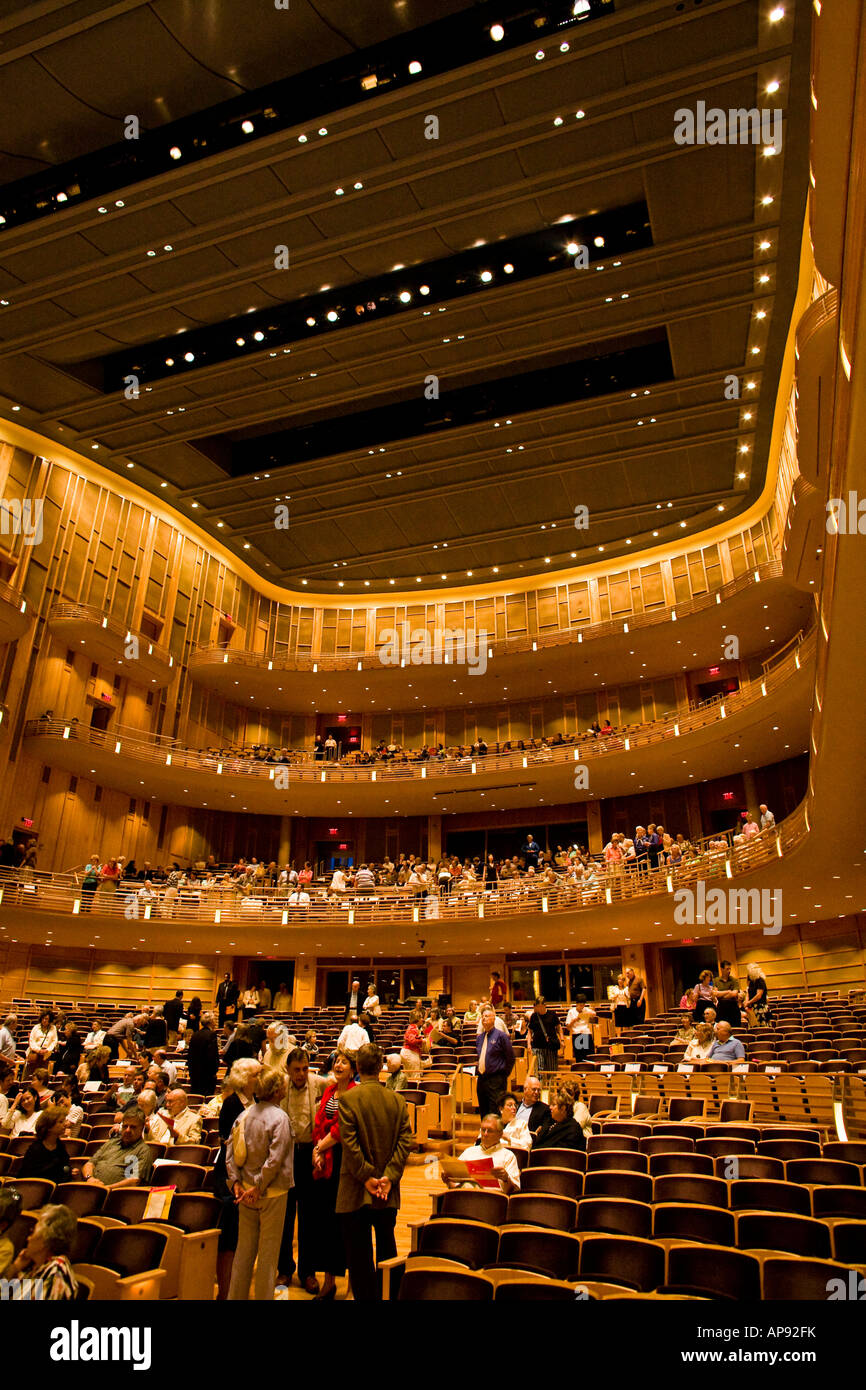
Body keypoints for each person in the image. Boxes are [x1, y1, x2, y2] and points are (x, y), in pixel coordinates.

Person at [336, 1043, 414, 1302]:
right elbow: (405, 1143)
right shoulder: (397, 1100)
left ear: (358, 1067)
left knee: (358, 1256)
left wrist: (367, 1177)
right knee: (387, 1249)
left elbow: (350, 1144)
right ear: (381, 1068)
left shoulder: (347, 1099)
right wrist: (388, 1178)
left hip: (356, 1188)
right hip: (387, 1190)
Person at [226, 1067, 295, 1302]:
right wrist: (259, 1185)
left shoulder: (243, 1116)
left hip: (245, 1192)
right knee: (268, 1257)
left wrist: (236, 1182)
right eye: (283, 1085)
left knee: (243, 1255)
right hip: (271, 1194)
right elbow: (275, 1159)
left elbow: (230, 1153)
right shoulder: (280, 1118)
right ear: (277, 1090)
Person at [278, 1049, 328, 1293]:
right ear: (288, 1069)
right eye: (296, 1069)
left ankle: (308, 1272)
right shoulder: (280, 1087)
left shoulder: (319, 1084)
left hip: (309, 1155)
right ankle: (285, 1269)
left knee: (310, 1217)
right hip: (286, 1156)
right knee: (285, 1216)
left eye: (305, 1068)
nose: (301, 1074)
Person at [311, 1048, 358, 1300]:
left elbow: (342, 1128)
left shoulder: (354, 1092)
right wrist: (316, 1151)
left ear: (353, 1069)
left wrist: (320, 1147)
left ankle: (351, 1285)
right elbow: (319, 1122)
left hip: (343, 1163)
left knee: (346, 1224)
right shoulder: (328, 1091)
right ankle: (329, 1282)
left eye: (344, 1062)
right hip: (325, 1160)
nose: (339, 1065)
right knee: (327, 1224)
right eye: (336, 1061)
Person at [213, 1058, 262, 1299]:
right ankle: (225, 1292)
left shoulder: (258, 1101)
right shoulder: (231, 1104)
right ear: (244, 1079)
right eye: (256, 1075)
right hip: (230, 1178)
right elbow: (228, 1146)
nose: (259, 1079)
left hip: (250, 1177)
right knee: (229, 1239)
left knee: (246, 1238)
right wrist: (235, 1181)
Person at [4, 1204, 78, 1300]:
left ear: (47, 1238)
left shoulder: (56, 1274)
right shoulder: (33, 1268)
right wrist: (15, 1268)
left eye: (33, 1231)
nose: (28, 1238)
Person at [82, 1108, 155, 1187]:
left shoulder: (143, 1150)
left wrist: (104, 1189)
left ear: (141, 1128)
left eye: (133, 1127)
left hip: (114, 1195)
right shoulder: (112, 1142)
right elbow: (89, 1164)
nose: (127, 1130)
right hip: (90, 1187)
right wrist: (90, 1178)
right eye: (125, 1126)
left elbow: (134, 1181)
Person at [450, 1113, 521, 1192]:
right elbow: (454, 1184)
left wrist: (505, 1178)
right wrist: (448, 1180)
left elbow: (514, 1190)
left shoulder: (508, 1156)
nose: (485, 1134)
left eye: (490, 1131)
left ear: (500, 1134)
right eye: (483, 1130)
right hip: (466, 1196)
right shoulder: (469, 1152)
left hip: (492, 1199)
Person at [18, 1106, 74, 1184]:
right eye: (61, 1122)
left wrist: (70, 1171)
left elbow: (64, 1168)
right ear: (49, 1127)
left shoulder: (60, 1146)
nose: (65, 1124)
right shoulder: (35, 1149)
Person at [476, 1005, 515, 1116]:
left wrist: (503, 1074)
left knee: (495, 1110)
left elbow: (510, 1057)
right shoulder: (480, 1038)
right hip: (482, 1079)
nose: (484, 1018)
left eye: (487, 1016)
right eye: (483, 1016)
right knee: (483, 1108)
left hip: (496, 1079)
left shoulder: (501, 1036)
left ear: (494, 1019)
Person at [528, 996, 562, 1083]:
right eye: (537, 1006)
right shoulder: (534, 1016)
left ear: (544, 1005)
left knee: (551, 1071)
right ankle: (539, 1091)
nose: (538, 1008)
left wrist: (562, 1040)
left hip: (550, 1047)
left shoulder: (552, 1014)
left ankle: (551, 1090)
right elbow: (530, 1031)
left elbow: (559, 1028)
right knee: (539, 1070)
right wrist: (528, 1044)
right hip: (537, 1046)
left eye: (540, 1006)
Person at [187, 1012, 220, 1096]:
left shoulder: (195, 1034)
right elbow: (212, 1056)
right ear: (211, 1021)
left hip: (194, 1073)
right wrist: (214, 1071)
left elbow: (190, 1055)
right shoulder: (211, 1035)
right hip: (207, 1075)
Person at [25, 1010, 58, 1075]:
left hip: (45, 1055)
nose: (44, 1020)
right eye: (43, 1018)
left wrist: (47, 1050)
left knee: (42, 1075)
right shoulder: (36, 1027)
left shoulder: (53, 1028)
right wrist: (39, 1050)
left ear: (50, 1020)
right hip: (35, 1054)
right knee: (30, 1074)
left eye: (46, 1019)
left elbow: (54, 1041)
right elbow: (31, 1041)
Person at [565, 994, 597, 1059]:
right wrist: (575, 1020)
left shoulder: (586, 1010)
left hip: (586, 1034)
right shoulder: (571, 1012)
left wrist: (589, 1014)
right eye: (580, 1005)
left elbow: (594, 1014)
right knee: (580, 1056)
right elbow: (568, 1027)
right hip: (577, 1035)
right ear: (576, 1004)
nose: (582, 1007)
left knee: (589, 1055)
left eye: (583, 1005)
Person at [713, 960, 743, 1028]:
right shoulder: (716, 980)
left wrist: (721, 995)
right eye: (727, 969)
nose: (729, 971)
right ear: (722, 969)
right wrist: (728, 991)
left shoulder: (734, 980)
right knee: (722, 1029)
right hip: (721, 1008)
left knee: (736, 1029)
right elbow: (715, 994)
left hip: (733, 1007)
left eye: (730, 969)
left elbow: (734, 994)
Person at [400, 1009, 425, 1080]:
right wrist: (421, 1040)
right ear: (417, 1019)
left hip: (408, 1053)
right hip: (410, 1053)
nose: (422, 1020)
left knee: (408, 1076)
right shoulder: (413, 1027)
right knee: (415, 1076)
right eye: (421, 1018)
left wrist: (419, 1038)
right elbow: (411, 1040)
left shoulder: (413, 1027)